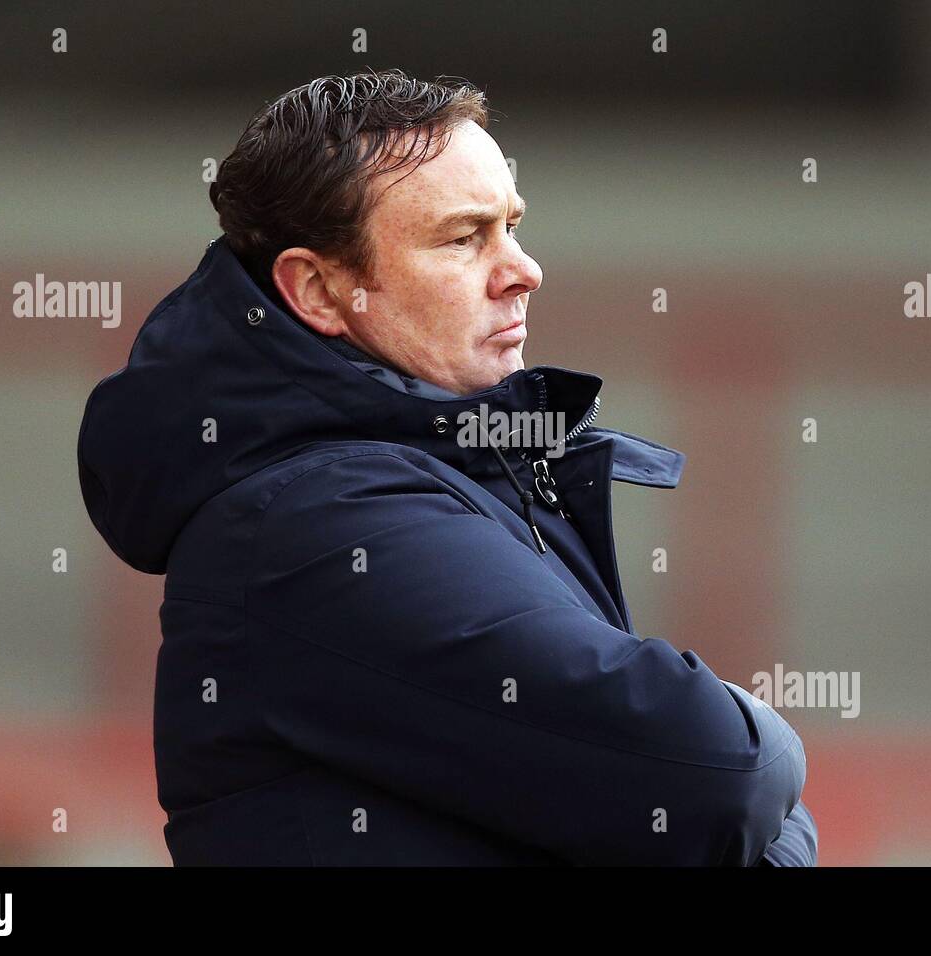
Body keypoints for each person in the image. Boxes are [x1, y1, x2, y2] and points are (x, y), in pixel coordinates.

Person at [76, 68, 817, 866]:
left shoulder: (445, 475)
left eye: (513, 226)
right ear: (320, 291)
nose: (524, 270)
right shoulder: (318, 521)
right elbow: (718, 772)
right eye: (465, 238)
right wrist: (771, 747)